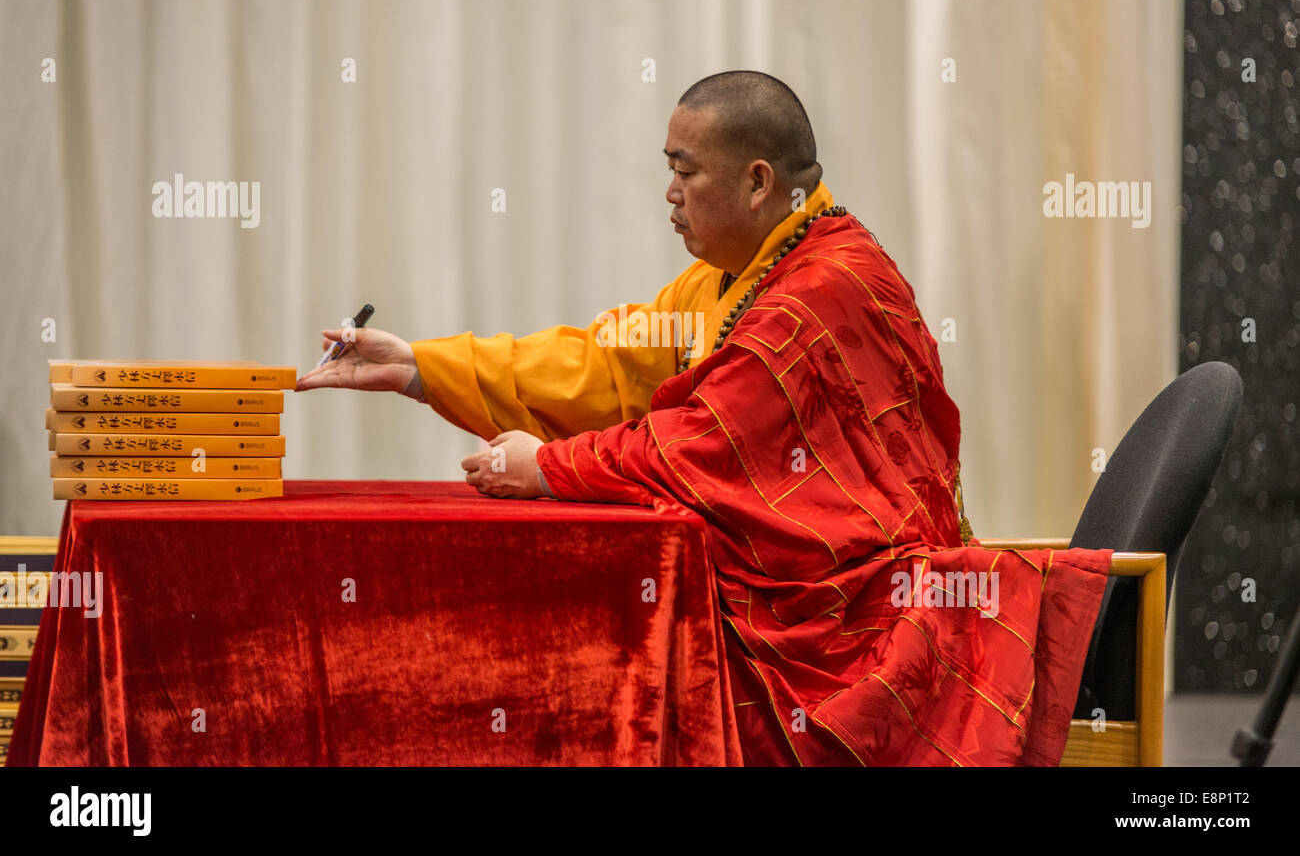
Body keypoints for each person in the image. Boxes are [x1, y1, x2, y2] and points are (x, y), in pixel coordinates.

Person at [295, 70, 1111, 765]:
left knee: (621, 678)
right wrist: (420, 368)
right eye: (668, 169)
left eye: (685, 172)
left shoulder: (821, 289)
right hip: (831, 594)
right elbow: (606, 365)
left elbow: (699, 444)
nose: (669, 194)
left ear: (758, 182)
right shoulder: (741, 276)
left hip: (861, 620)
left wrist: (544, 468)